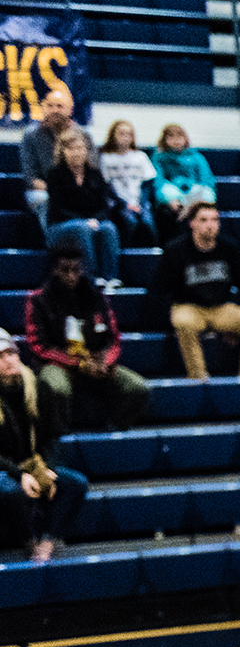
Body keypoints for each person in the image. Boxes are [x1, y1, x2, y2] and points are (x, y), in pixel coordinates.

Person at [23, 245, 149, 440]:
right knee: (55, 386)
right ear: (54, 270)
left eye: (76, 270)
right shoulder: (38, 300)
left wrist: (106, 361)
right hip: (57, 364)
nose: (71, 276)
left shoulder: (96, 297)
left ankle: (114, 431)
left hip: (97, 361)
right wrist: (79, 362)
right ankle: (59, 438)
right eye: (65, 270)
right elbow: (38, 346)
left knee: (137, 386)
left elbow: (114, 338)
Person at [0, 332, 89, 562]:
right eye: (1, 356)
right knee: (9, 489)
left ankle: (48, 540)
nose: (9, 359)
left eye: (11, 353)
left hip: (34, 463)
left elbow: (51, 436)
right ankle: (29, 541)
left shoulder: (36, 387)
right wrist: (20, 474)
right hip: (7, 468)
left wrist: (47, 469)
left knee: (76, 483)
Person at [157, 203, 240, 380]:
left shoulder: (229, 247)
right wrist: (167, 317)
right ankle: (199, 379)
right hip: (188, 307)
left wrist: (237, 324)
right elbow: (160, 289)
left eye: (214, 220)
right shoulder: (175, 249)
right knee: (183, 323)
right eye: (203, 220)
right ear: (192, 223)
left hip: (221, 308)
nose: (210, 225)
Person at [43, 130, 124, 290]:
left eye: (80, 148)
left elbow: (104, 207)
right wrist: (85, 221)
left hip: (92, 222)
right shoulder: (54, 175)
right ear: (63, 151)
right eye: (71, 148)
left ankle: (110, 277)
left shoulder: (95, 174)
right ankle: (91, 277)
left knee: (108, 228)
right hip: (60, 226)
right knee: (82, 229)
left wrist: (95, 220)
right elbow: (58, 210)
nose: (77, 152)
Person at [19, 88, 90, 233]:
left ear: (70, 109)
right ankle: (55, 241)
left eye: (59, 106)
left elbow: (93, 172)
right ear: (43, 108)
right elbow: (31, 178)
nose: (54, 110)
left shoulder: (84, 136)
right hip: (44, 190)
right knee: (43, 199)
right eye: (50, 106)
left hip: (77, 189)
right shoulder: (31, 136)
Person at [97, 120, 157, 246]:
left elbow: (147, 183)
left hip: (139, 200)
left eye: (128, 134)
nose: (125, 138)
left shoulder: (140, 156)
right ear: (113, 135)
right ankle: (124, 255)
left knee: (148, 222)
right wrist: (124, 204)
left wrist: (141, 203)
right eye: (121, 134)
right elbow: (106, 186)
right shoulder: (105, 158)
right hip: (116, 202)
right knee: (129, 221)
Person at [152, 124, 217, 220]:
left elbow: (206, 179)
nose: (176, 140)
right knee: (166, 191)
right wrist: (169, 198)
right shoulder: (159, 158)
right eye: (171, 136)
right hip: (174, 194)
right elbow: (158, 181)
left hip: (194, 192)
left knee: (207, 193)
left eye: (179, 136)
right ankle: (182, 211)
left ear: (185, 138)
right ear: (164, 139)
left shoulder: (197, 157)